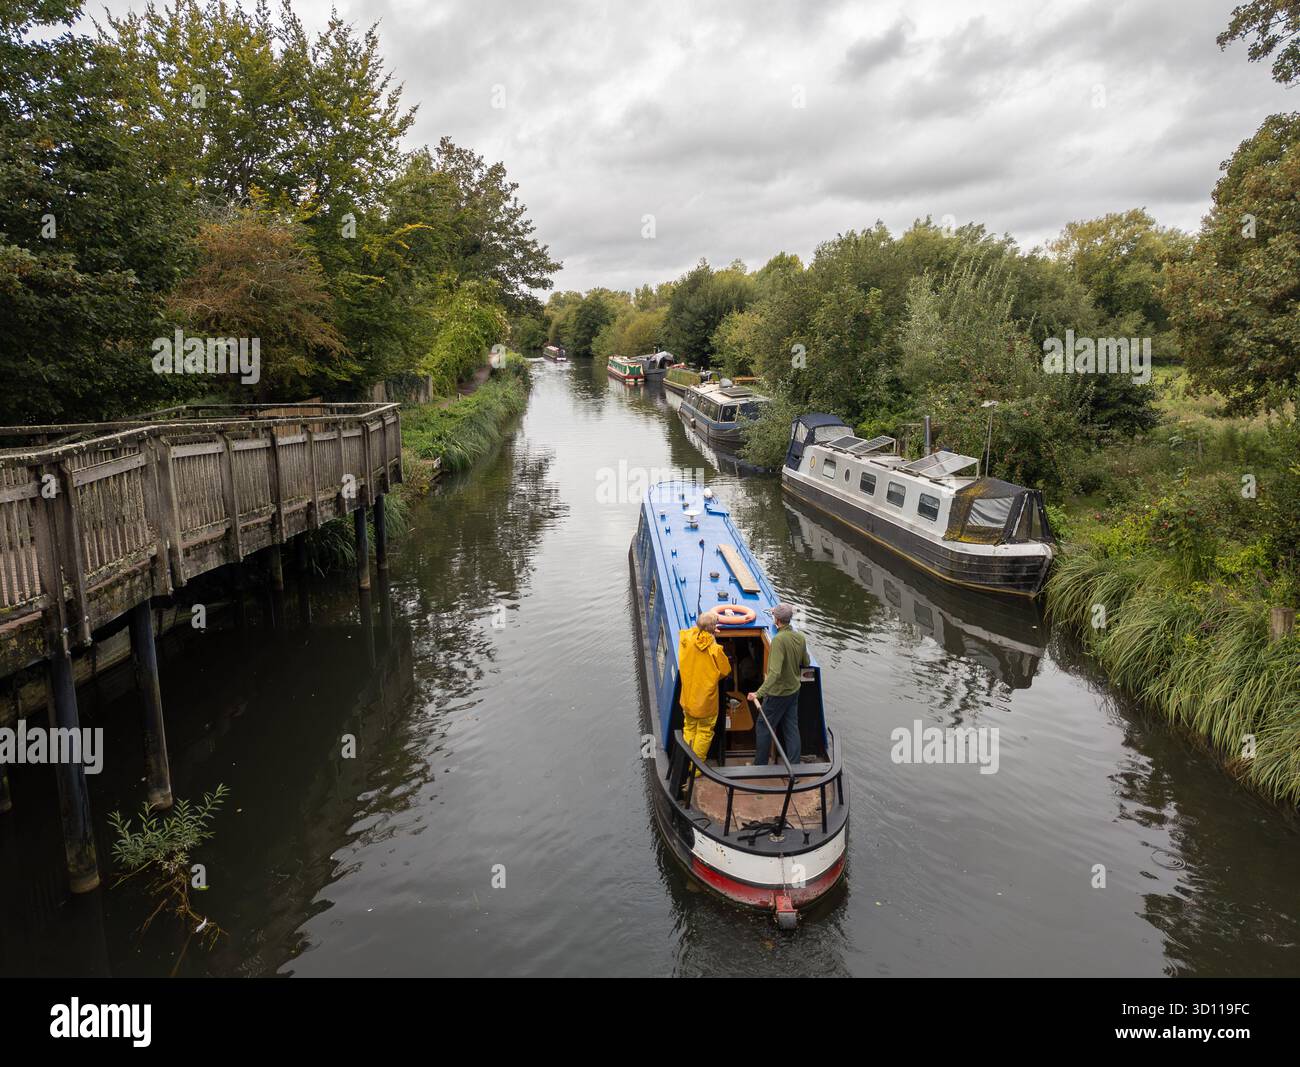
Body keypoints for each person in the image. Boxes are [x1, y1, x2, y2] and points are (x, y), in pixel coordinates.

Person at [748, 603, 808, 765]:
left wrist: (758, 693)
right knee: (791, 728)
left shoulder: (778, 641)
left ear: (776, 619)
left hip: (778, 694)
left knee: (763, 725)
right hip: (794, 691)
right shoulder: (800, 637)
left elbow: (774, 673)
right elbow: (806, 661)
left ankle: (760, 765)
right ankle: (794, 765)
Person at [677, 611, 732, 772]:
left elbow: (692, 631)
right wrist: (712, 638)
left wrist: (707, 629)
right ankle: (696, 767)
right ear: (714, 629)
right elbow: (725, 671)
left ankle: (685, 760)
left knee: (689, 728)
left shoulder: (686, 640)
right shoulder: (714, 649)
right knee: (704, 731)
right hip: (706, 702)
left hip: (688, 698)